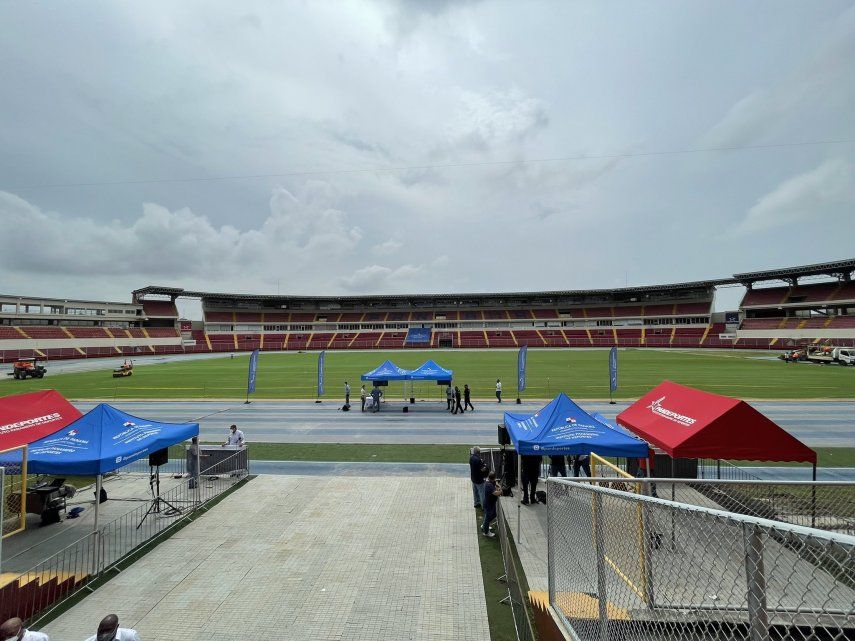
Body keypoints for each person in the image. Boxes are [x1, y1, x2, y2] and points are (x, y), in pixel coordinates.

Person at [482, 471, 502, 537]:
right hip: (488, 504)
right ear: (494, 477)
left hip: (490, 503)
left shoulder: (489, 481)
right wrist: (501, 491)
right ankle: (486, 532)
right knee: (488, 517)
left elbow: (495, 483)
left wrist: (497, 484)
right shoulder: (489, 485)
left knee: (493, 515)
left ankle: (485, 525)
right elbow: (496, 493)